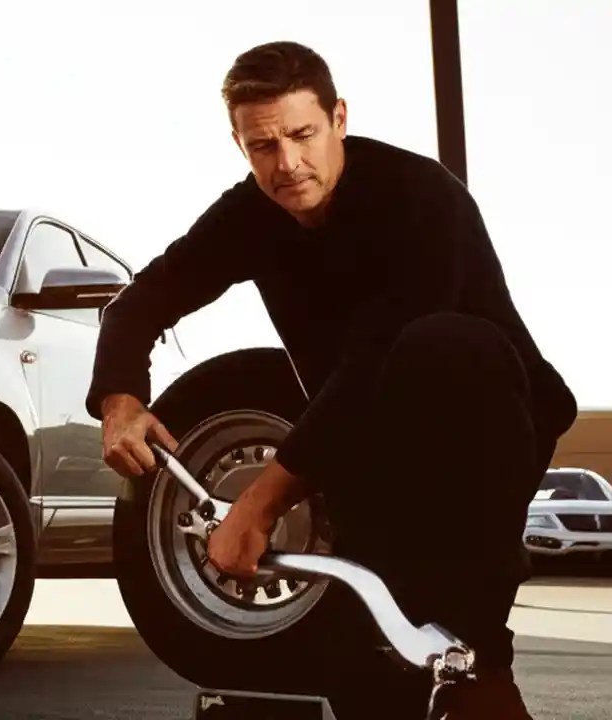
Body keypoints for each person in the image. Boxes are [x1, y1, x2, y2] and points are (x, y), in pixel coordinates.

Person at [85, 41, 577, 719]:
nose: (286, 164)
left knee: (457, 640)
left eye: (302, 135)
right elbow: (145, 297)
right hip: (369, 435)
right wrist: (121, 398)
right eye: (262, 146)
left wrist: (257, 506)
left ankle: (480, 671)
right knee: (368, 665)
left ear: (338, 118)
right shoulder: (250, 214)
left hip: (486, 426)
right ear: (239, 142)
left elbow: (372, 360)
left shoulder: (419, 199)